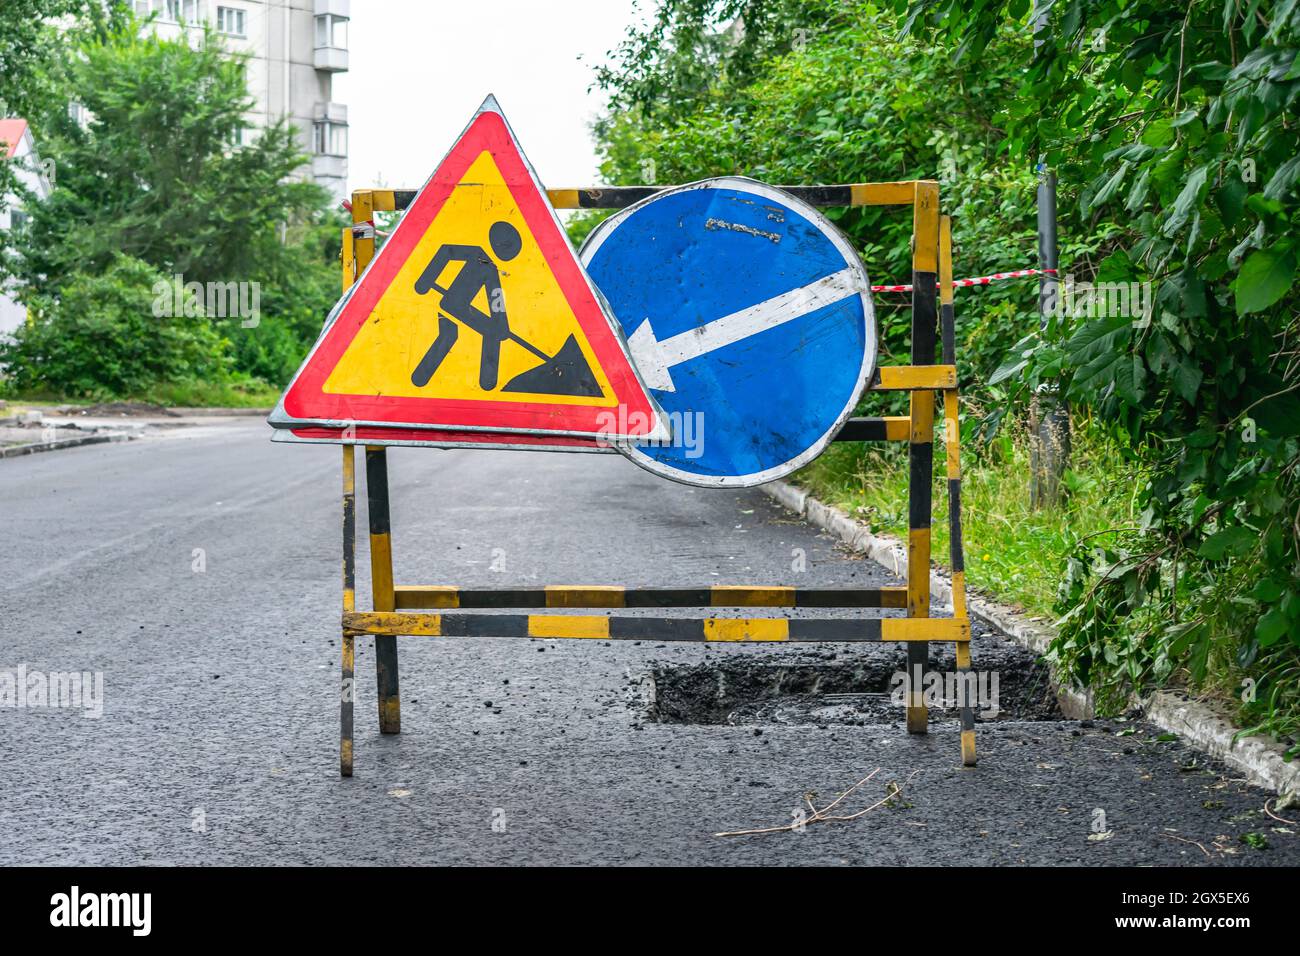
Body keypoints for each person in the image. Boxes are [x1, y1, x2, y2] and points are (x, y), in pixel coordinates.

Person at [411, 220, 526, 390]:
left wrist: (502, 325)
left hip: (460, 307)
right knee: (469, 334)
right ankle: (487, 381)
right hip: (455, 303)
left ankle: (486, 381)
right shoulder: (478, 255)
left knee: (454, 334)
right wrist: (424, 282)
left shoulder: (491, 268)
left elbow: (495, 298)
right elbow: (446, 252)